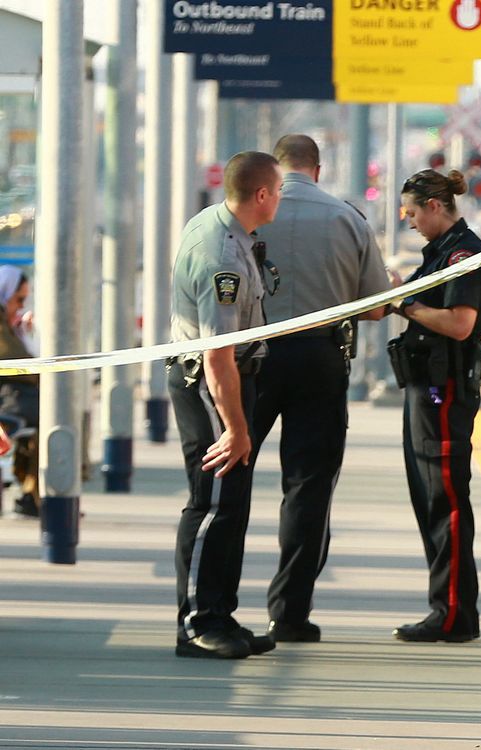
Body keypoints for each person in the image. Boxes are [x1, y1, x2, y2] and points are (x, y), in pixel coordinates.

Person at [252, 134, 390, 643]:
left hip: (252, 359)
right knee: (308, 487)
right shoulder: (346, 218)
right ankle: (288, 613)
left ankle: (212, 606)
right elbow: (376, 308)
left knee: (232, 476)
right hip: (319, 359)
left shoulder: (248, 212)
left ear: (274, 166)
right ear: (319, 167)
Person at [168, 151, 282, 659]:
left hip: (231, 379)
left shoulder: (227, 229)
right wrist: (236, 428)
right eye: (278, 190)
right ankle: (197, 623)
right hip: (212, 384)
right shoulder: (222, 256)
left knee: (231, 503)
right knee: (213, 502)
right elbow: (217, 355)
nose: (280, 198)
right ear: (261, 195)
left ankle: (221, 613)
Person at [388, 168, 481, 643]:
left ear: (435, 206)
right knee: (429, 499)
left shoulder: (463, 255)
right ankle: (446, 607)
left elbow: (459, 324)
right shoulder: (438, 254)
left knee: (445, 502)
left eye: (411, 212)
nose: (408, 221)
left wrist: (405, 306)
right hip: (426, 392)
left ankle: (453, 614)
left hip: (443, 392)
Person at [0, 266, 39, 517]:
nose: (21, 306)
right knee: (51, 415)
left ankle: (32, 492)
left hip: (12, 395)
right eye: (19, 299)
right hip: (8, 397)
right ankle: (34, 494)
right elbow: (14, 360)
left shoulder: (8, 323)